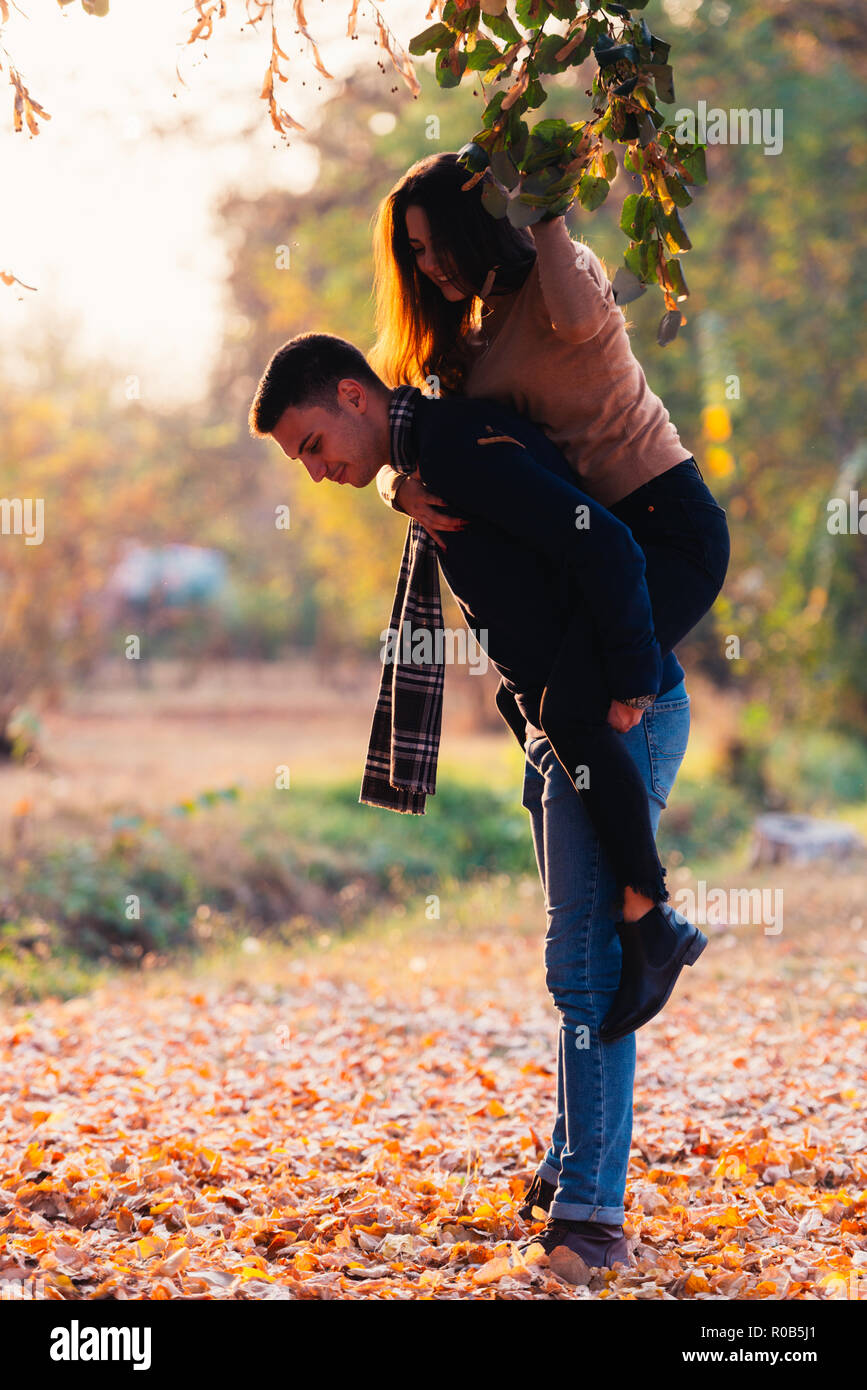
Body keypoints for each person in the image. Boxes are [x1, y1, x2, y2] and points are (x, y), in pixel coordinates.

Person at [248, 331, 708, 1269]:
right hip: (560, 727)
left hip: (618, 716)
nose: (314, 469)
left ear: (351, 394)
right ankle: (572, 1167)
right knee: (575, 967)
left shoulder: (453, 446)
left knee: (586, 971)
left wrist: (623, 684)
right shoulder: (424, 460)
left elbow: (607, 545)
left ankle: (590, 1218)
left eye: (310, 444)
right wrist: (391, 487)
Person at [368, 151, 730, 950]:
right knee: (528, 698)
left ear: (476, 227)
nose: (427, 268)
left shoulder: (560, 284)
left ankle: (651, 914)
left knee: (570, 706)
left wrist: (542, 199)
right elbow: (418, 436)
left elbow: (567, 296)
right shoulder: (470, 334)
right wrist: (394, 486)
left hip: (666, 528)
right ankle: (596, 864)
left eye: (434, 246)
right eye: (414, 256)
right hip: (600, 547)